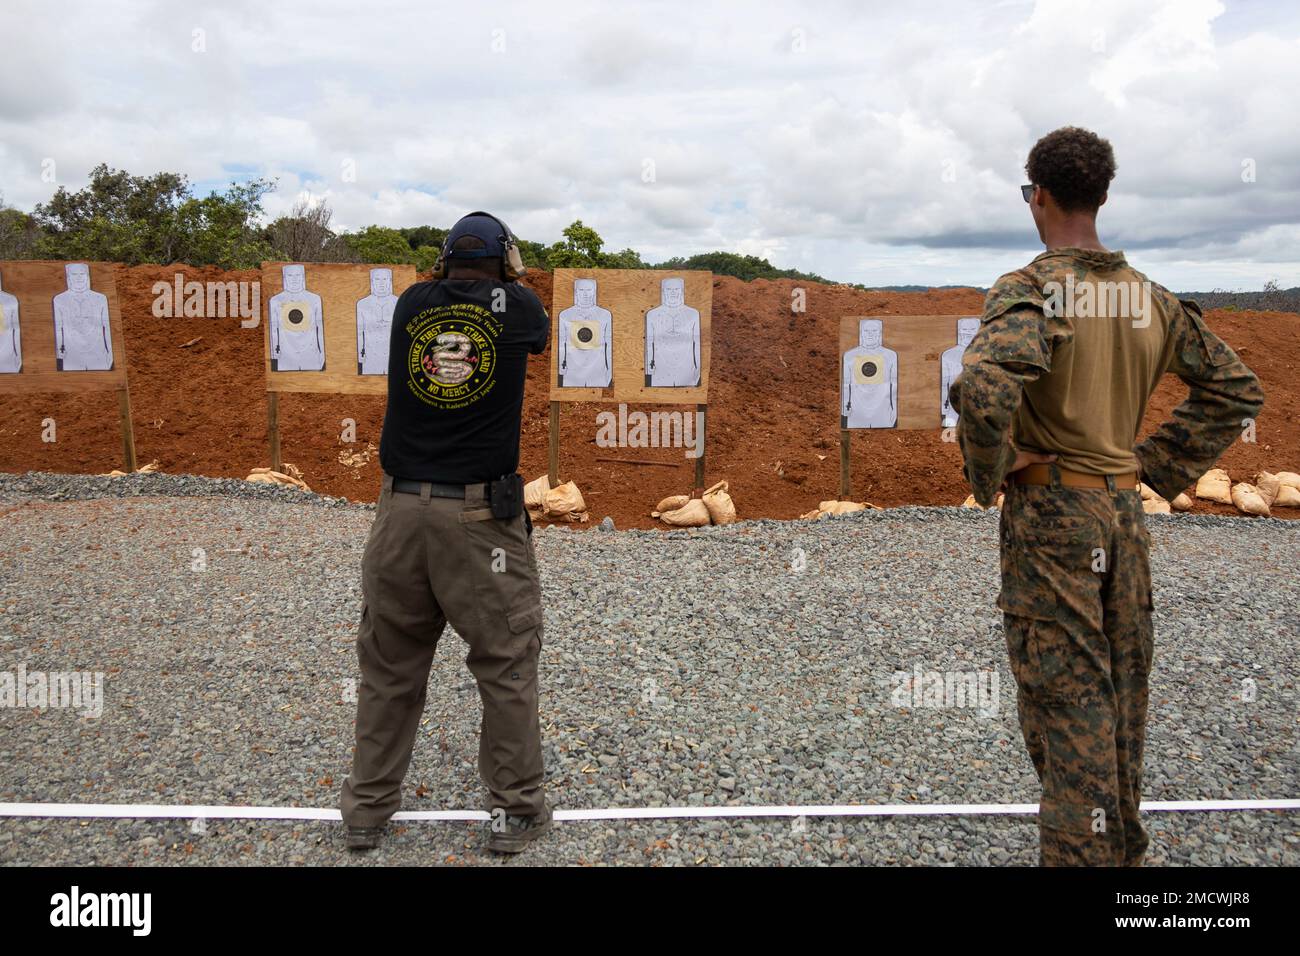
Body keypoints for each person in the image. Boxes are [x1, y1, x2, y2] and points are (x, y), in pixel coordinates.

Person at [949, 126, 1263, 866]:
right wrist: (1151, 465)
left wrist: (988, 470)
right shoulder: (1151, 301)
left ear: (1041, 196)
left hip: (1054, 518)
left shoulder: (1031, 290)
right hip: (1122, 519)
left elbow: (989, 389)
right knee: (1119, 705)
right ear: (1104, 196)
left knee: (1068, 711)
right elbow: (1234, 389)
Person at [340, 211, 552, 855]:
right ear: (506, 261)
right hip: (479, 519)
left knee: (390, 665)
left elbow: (451, 292)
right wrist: (513, 276)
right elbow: (537, 330)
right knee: (505, 663)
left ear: (443, 261)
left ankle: (367, 814)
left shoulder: (410, 304)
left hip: (399, 514)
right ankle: (516, 811)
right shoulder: (518, 307)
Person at [52, 263, 112, 371]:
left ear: (87, 276)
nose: (79, 277)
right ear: (69, 277)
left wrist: (110, 352)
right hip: (71, 352)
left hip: (98, 350)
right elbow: (58, 328)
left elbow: (107, 328)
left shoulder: (100, 298)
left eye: (82, 274)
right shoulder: (59, 299)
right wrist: (59, 349)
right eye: (74, 274)